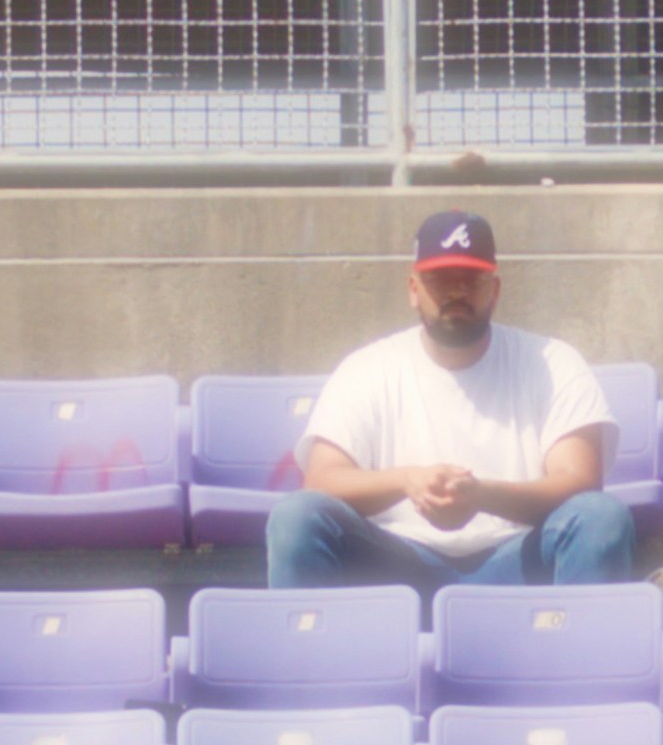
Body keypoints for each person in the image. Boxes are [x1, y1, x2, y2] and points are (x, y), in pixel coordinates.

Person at [266, 210, 638, 592]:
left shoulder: (553, 362)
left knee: (601, 517)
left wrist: (484, 497)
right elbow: (322, 480)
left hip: (515, 558)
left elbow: (579, 481)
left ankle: (578, 635)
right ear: (413, 289)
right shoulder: (367, 368)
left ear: (495, 290)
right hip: (396, 560)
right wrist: (407, 481)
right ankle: (315, 636)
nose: (457, 292)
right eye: (441, 279)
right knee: (296, 518)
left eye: (472, 279)